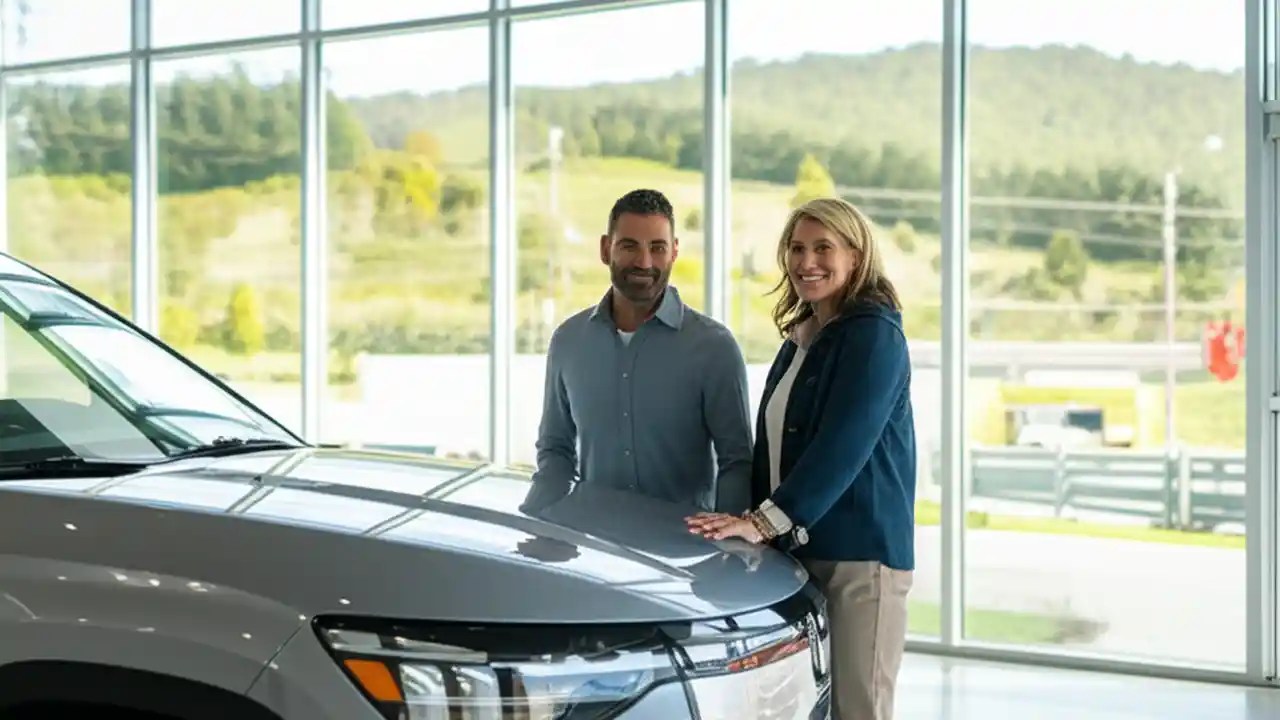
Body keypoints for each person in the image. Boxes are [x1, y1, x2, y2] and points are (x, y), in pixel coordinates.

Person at [685, 197, 916, 720]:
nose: (806, 260)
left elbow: (843, 446)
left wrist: (761, 523)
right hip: (799, 557)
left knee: (860, 709)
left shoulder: (875, 335)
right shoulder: (802, 340)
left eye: (823, 248)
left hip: (860, 560)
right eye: (796, 248)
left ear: (855, 256)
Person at [520, 188, 754, 516]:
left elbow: (737, 463)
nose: (644, 262)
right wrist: (534, 523)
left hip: (683, 555)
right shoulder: (568, 341)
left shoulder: (714, 348)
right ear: (606, 249)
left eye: (657, 248)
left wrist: (729, 549)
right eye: (629, 246)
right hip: (596, 554)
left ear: (674, 252)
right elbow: (555, 451)